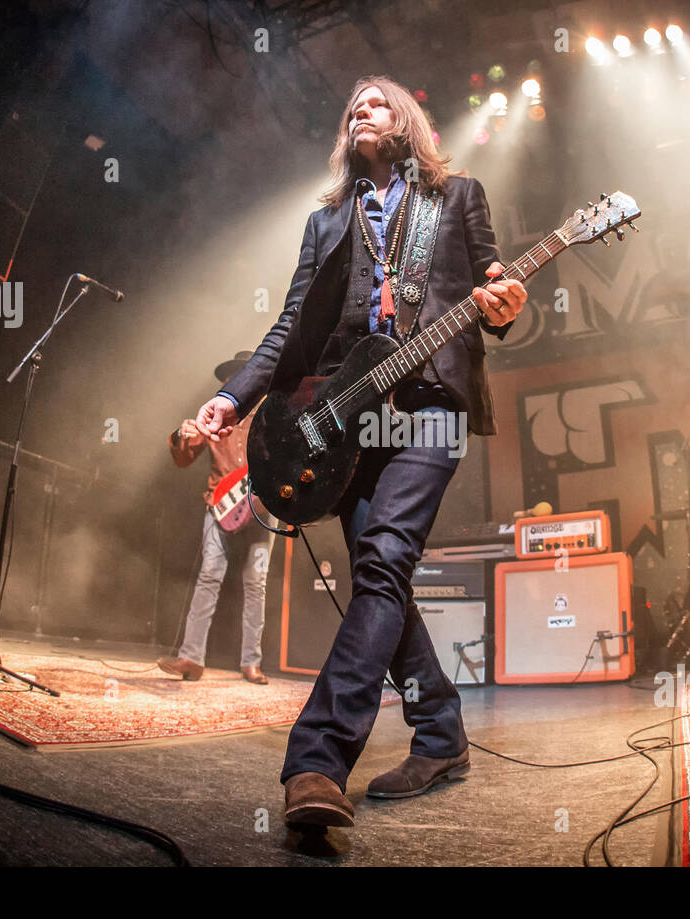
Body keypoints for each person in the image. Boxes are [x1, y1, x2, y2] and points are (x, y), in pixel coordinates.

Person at [194, 75, 527, 830]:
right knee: (386, 577)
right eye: (350, 110)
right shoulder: (327, 222)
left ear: (406, 118)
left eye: (372, 103)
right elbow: (288, 325)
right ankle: (441, 735)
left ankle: (315, 761)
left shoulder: (458, 196)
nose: (358, 114)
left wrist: (508, 307)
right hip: (350, 418)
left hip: (433, 404)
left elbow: (494, 286)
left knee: (380, 565)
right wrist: (236, 396)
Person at [159, 352, 276, 686]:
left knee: (257, 582)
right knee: (210, 574)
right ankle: (191, 658)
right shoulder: (216, 412)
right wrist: (181, 434)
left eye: (240, 375)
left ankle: (251, 663)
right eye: (230, 377)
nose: (233, 382)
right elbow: (184, 456)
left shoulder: (269, 413)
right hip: (218, 505)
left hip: (261, 509)